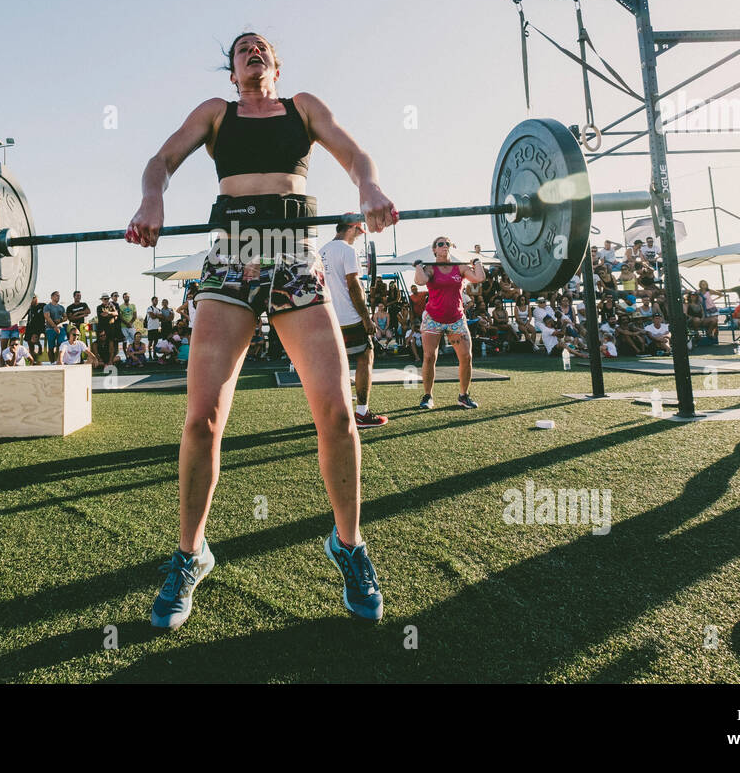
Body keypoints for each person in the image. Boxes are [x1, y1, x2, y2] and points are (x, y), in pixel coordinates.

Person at [125, 31, 390, 629]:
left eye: (261, 47)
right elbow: (160, 161)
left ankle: (349, 546)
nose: (252, 52)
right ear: (232, 71)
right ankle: (190, 555)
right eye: (242, 49)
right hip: (232, 256)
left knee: (338, 411)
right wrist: (152, 202)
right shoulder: (215, 114)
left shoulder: (303, 108)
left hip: (296, 255)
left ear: (275, 63)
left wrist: (368, 187)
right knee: (202, 418)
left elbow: (356, 156)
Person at [319, 218, 387, 428]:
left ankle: (335, 413)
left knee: (336, 364)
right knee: (365, 357)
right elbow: (353, 285)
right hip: (349, 316)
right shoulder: (347, 250)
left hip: (329, 316)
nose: (358, 236)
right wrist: (367, 318)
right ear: (351, 228)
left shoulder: (321, 251)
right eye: (358, 231)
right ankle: (362, 413)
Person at [413, 237, 483, 409]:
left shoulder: (460, 267)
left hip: (456, 319)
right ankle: (428, 396)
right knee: (429, 357)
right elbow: (420, 281)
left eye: (447, 244)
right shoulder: (429, 268)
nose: (445, 246)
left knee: (466, 357)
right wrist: (417, 266)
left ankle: (463, 396)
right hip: (433, 318)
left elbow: (479, 277)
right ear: (434, 250)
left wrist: (477, 261)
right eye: (441, 244)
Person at [42, 292, 67, 363]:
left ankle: (60, 361)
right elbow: (47, 317)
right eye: (56, 296)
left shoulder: (61, 307)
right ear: (52, 297)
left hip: (60, 328)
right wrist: (55, 326)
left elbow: (65, 317)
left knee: (62, 345)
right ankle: (52, 362)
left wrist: (60, 320)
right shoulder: (47, 307)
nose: (58, 297)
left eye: (59, 296)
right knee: (51, 347)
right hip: (50, 329)